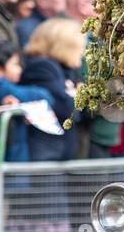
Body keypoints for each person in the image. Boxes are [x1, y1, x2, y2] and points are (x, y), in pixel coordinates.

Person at [18, 18, 83, 160]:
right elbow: (68, 109)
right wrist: (76, 97)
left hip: (61, 151)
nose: (82, 52)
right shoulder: (42, 67)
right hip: (45, 152)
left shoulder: (65, 69)